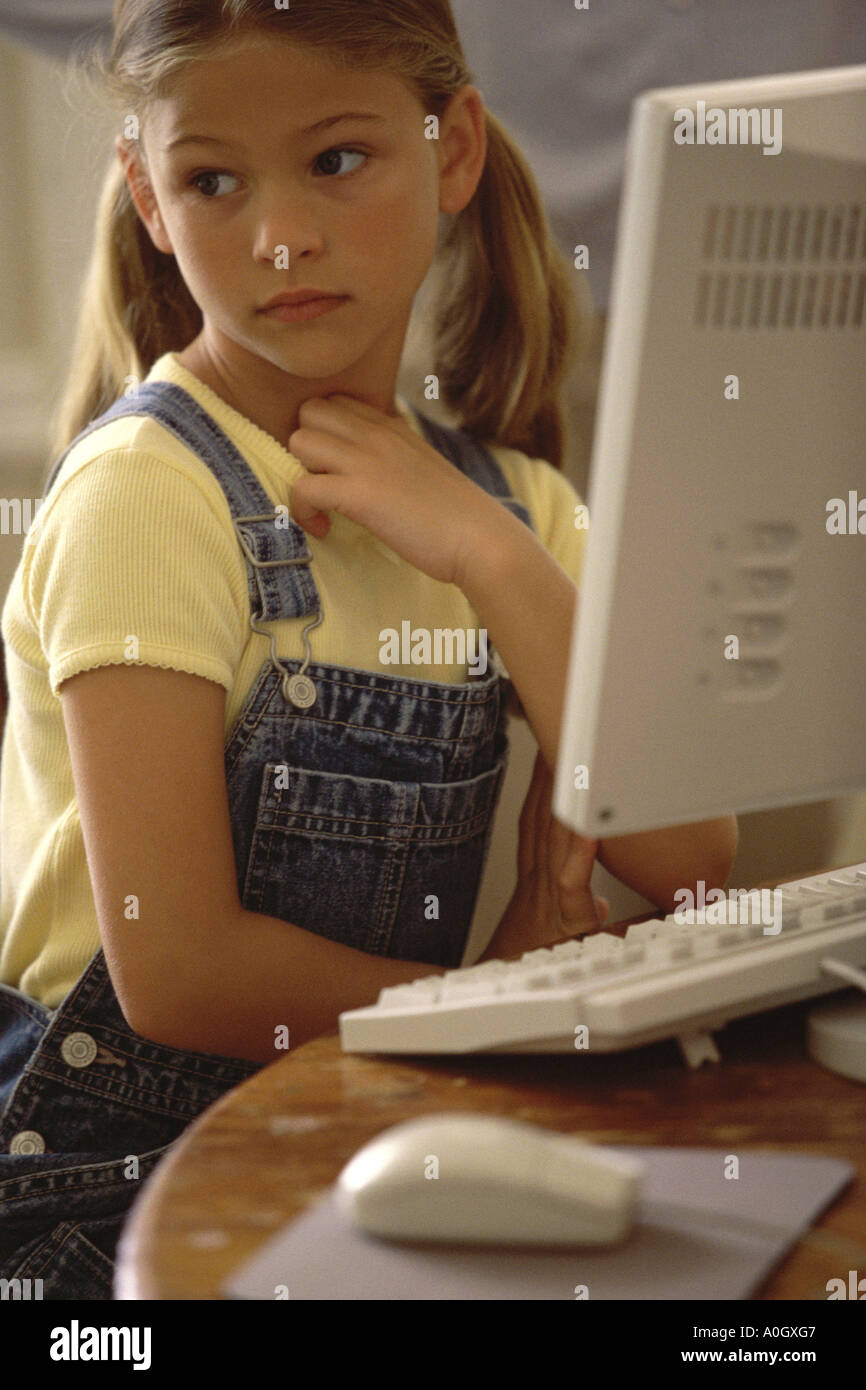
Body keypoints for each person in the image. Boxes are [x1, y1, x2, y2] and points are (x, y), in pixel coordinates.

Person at [0, 0, 737, 1300]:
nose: (279, 235)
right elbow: (172, 966)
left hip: (370, 1116)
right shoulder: (149, 493)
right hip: (104, 1181)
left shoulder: (510, 512)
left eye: (337, 160)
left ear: (451, 150)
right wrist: (487, 1006)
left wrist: (494, 560)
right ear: (150, 198)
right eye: (211, 181)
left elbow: (687, 859)